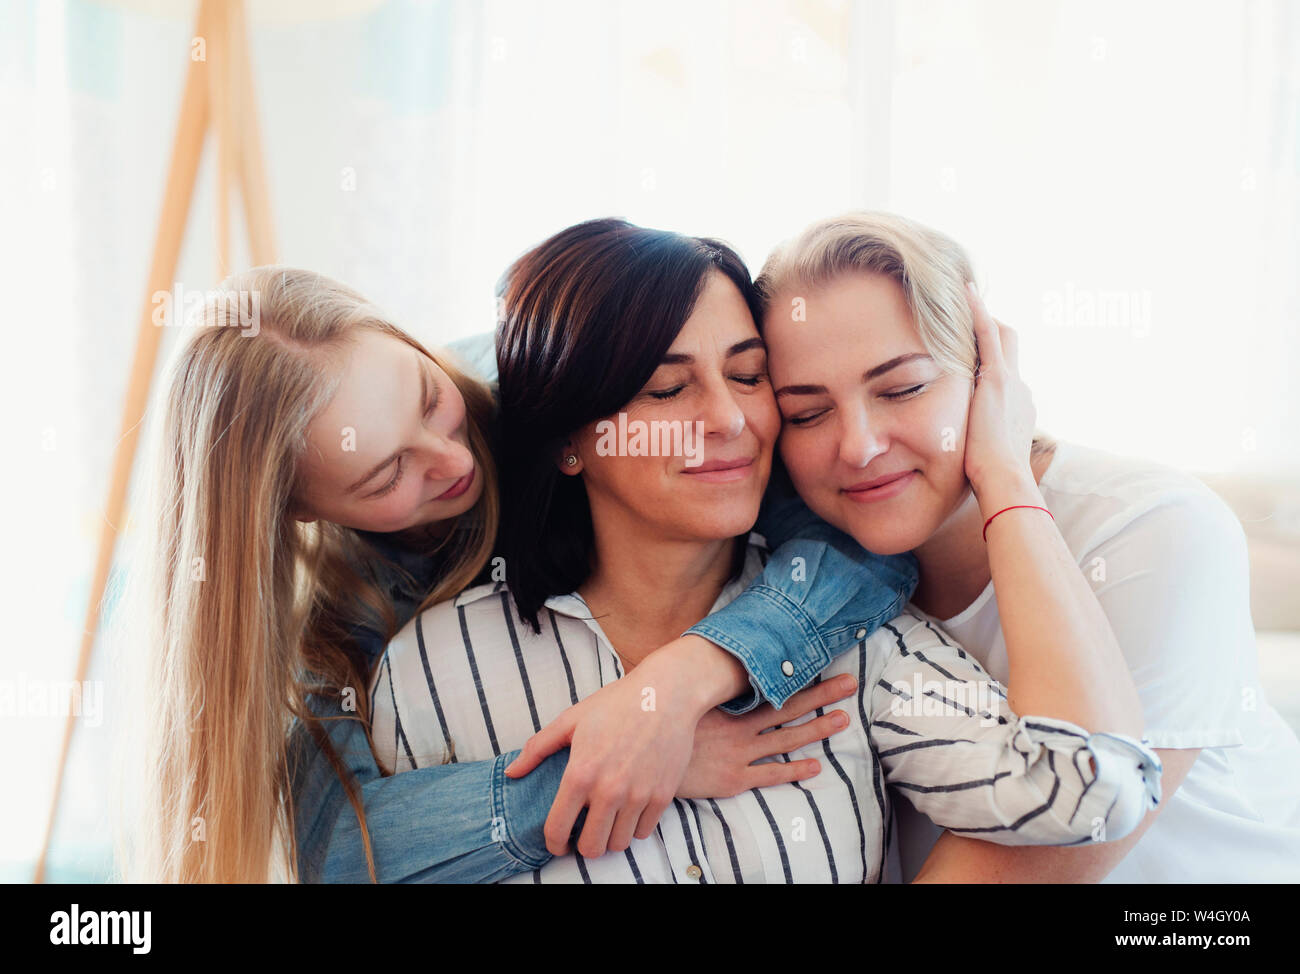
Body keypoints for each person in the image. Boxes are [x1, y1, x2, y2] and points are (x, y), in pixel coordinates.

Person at [370, 217, 1162, 883]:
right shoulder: (429, 672)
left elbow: (1089, 794)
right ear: (570, 440)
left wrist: (1001, 469)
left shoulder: (856, 640)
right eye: (668, 389)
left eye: (748, 377)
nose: (731, 420)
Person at [115, 266, 911, 883]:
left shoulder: (556, 380)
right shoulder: (344, 618)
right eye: (386, 476)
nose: (455, 460)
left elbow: (865, 541)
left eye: (429, 401)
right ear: (300, 511)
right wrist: (619, 772)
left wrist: (680, 682)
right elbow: (341, 857)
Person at [756, 211, 1300, 882]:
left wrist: (1004, 474)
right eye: (806, 413)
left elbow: (1048, 852)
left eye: (903, 388)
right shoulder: (801, 570)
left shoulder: (1157, 529)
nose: (859, 446)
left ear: (989, 374)